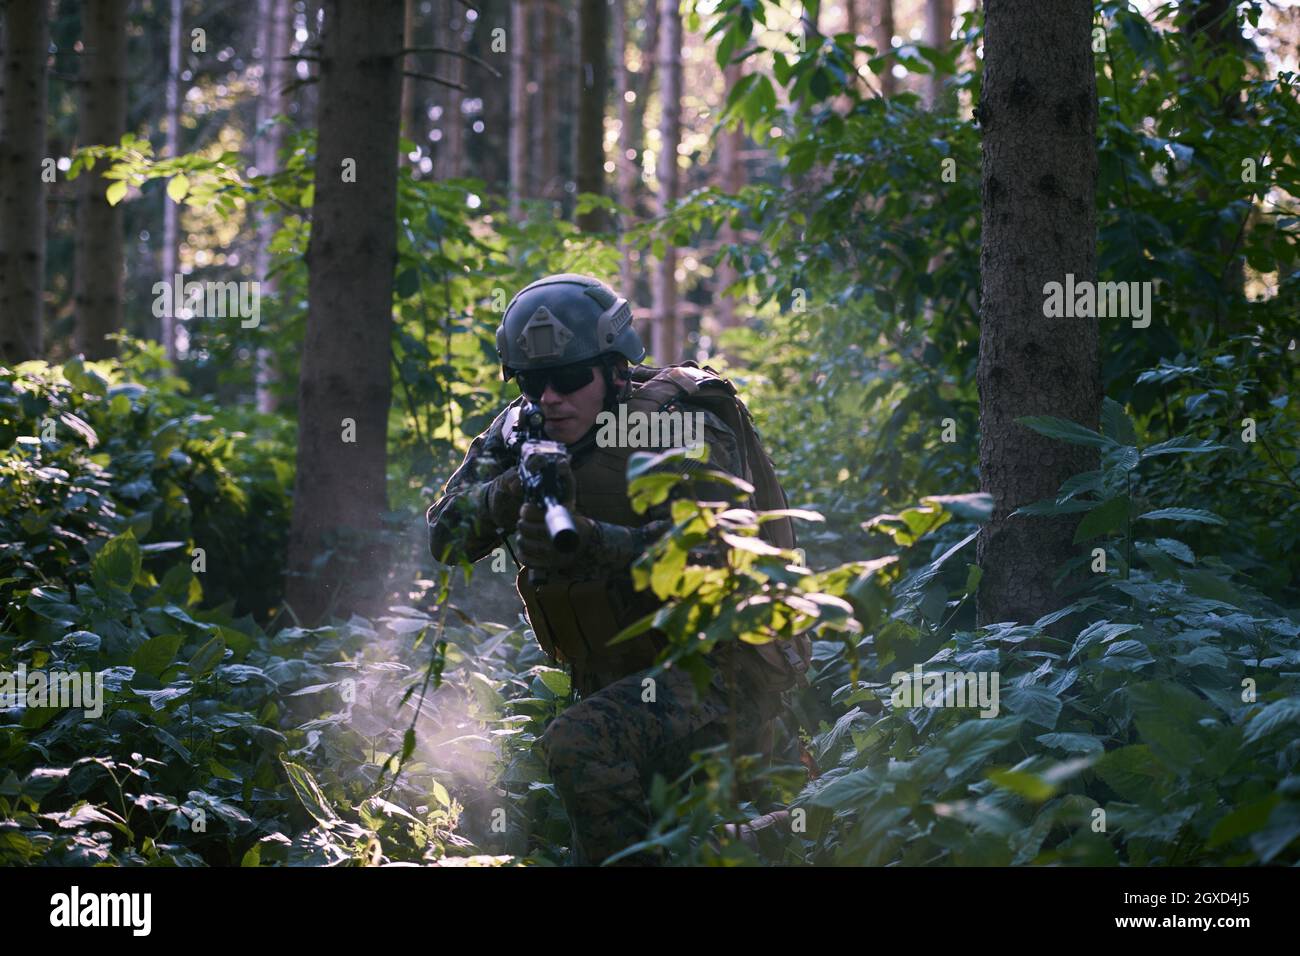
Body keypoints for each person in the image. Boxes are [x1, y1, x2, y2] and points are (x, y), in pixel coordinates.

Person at [426, 273, 805, 865]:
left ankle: (785, 827)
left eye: (571, 378)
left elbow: (718, 553)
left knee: (578, 744)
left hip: (720, 672)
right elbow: (445, 538)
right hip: (620, 684)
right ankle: (759, 836)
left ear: (615, 370)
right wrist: (510, 490)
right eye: (532, 381)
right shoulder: (522, 428)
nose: (550, 397)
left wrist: (597, 545)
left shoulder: (678, 421)